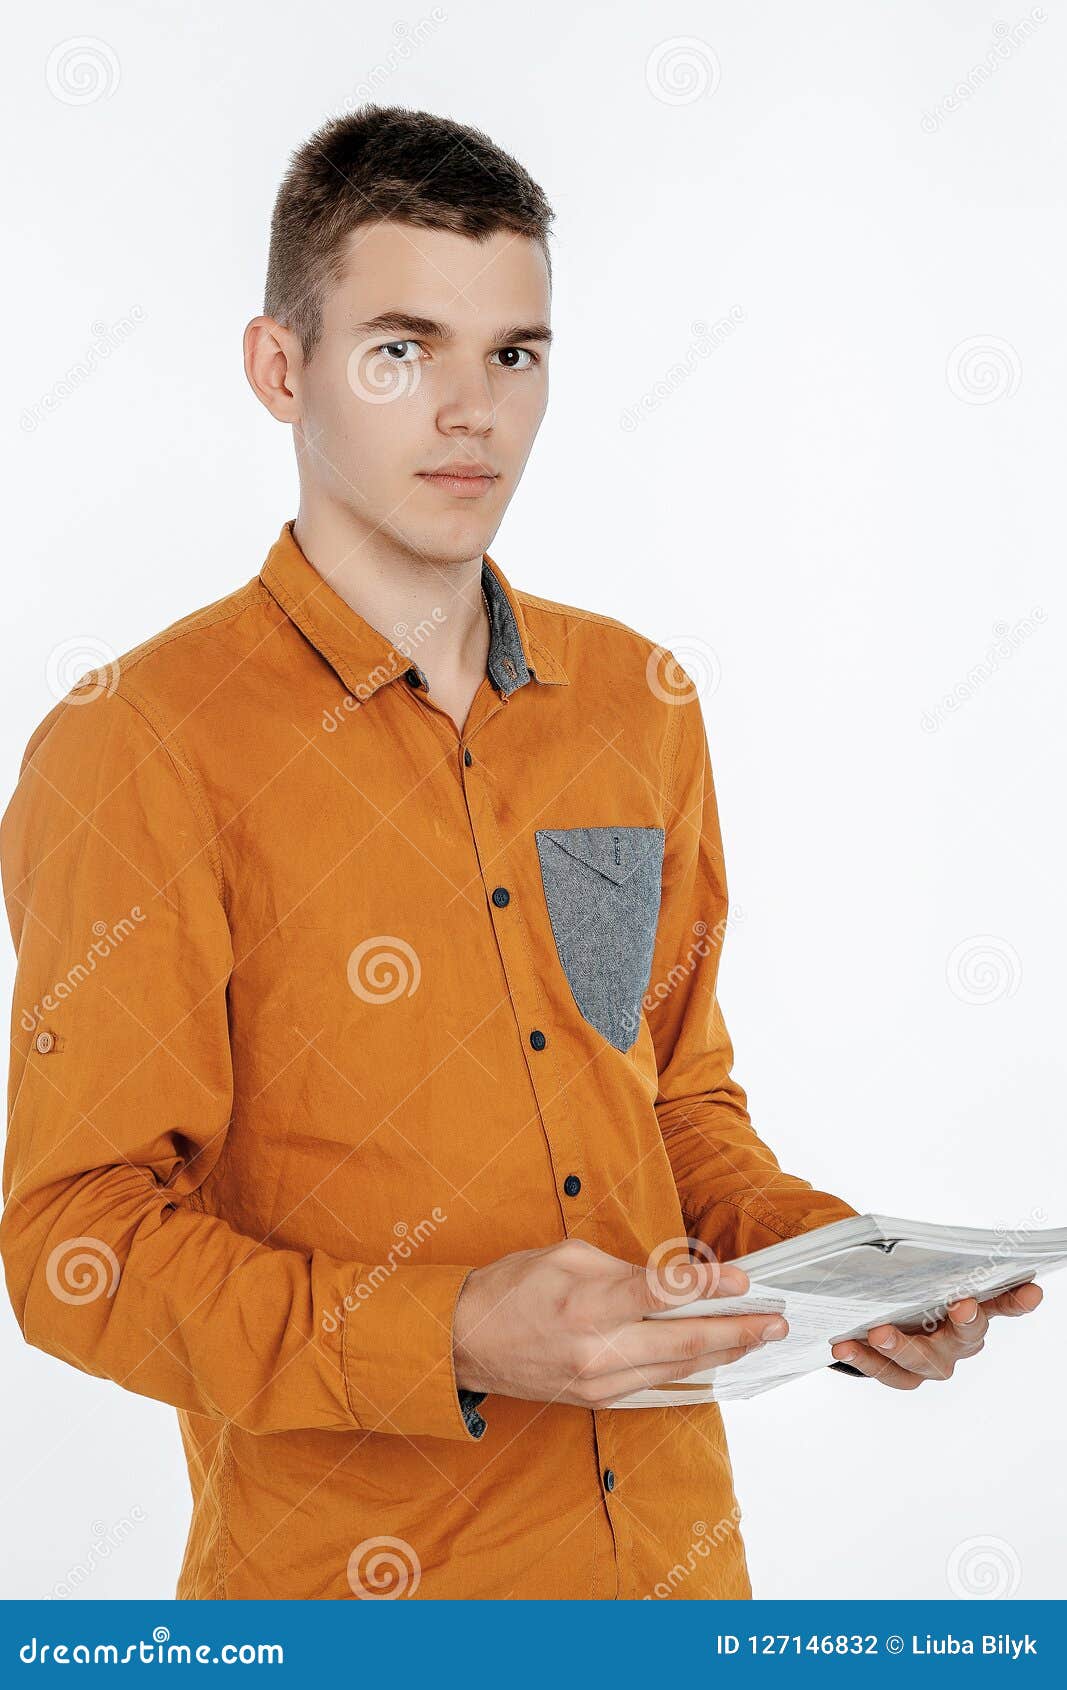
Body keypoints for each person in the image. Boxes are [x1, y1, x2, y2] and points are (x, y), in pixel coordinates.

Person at [0, 104, 1040, 1602]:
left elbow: (670, 1100)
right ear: (280, 369)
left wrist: (836, 1270)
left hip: (680, 1587)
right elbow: (72, 1240)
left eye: (516, 354)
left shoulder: (639, 700)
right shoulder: (141, 744)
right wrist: (451, 1331)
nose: (471, 410)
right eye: (402, 348)